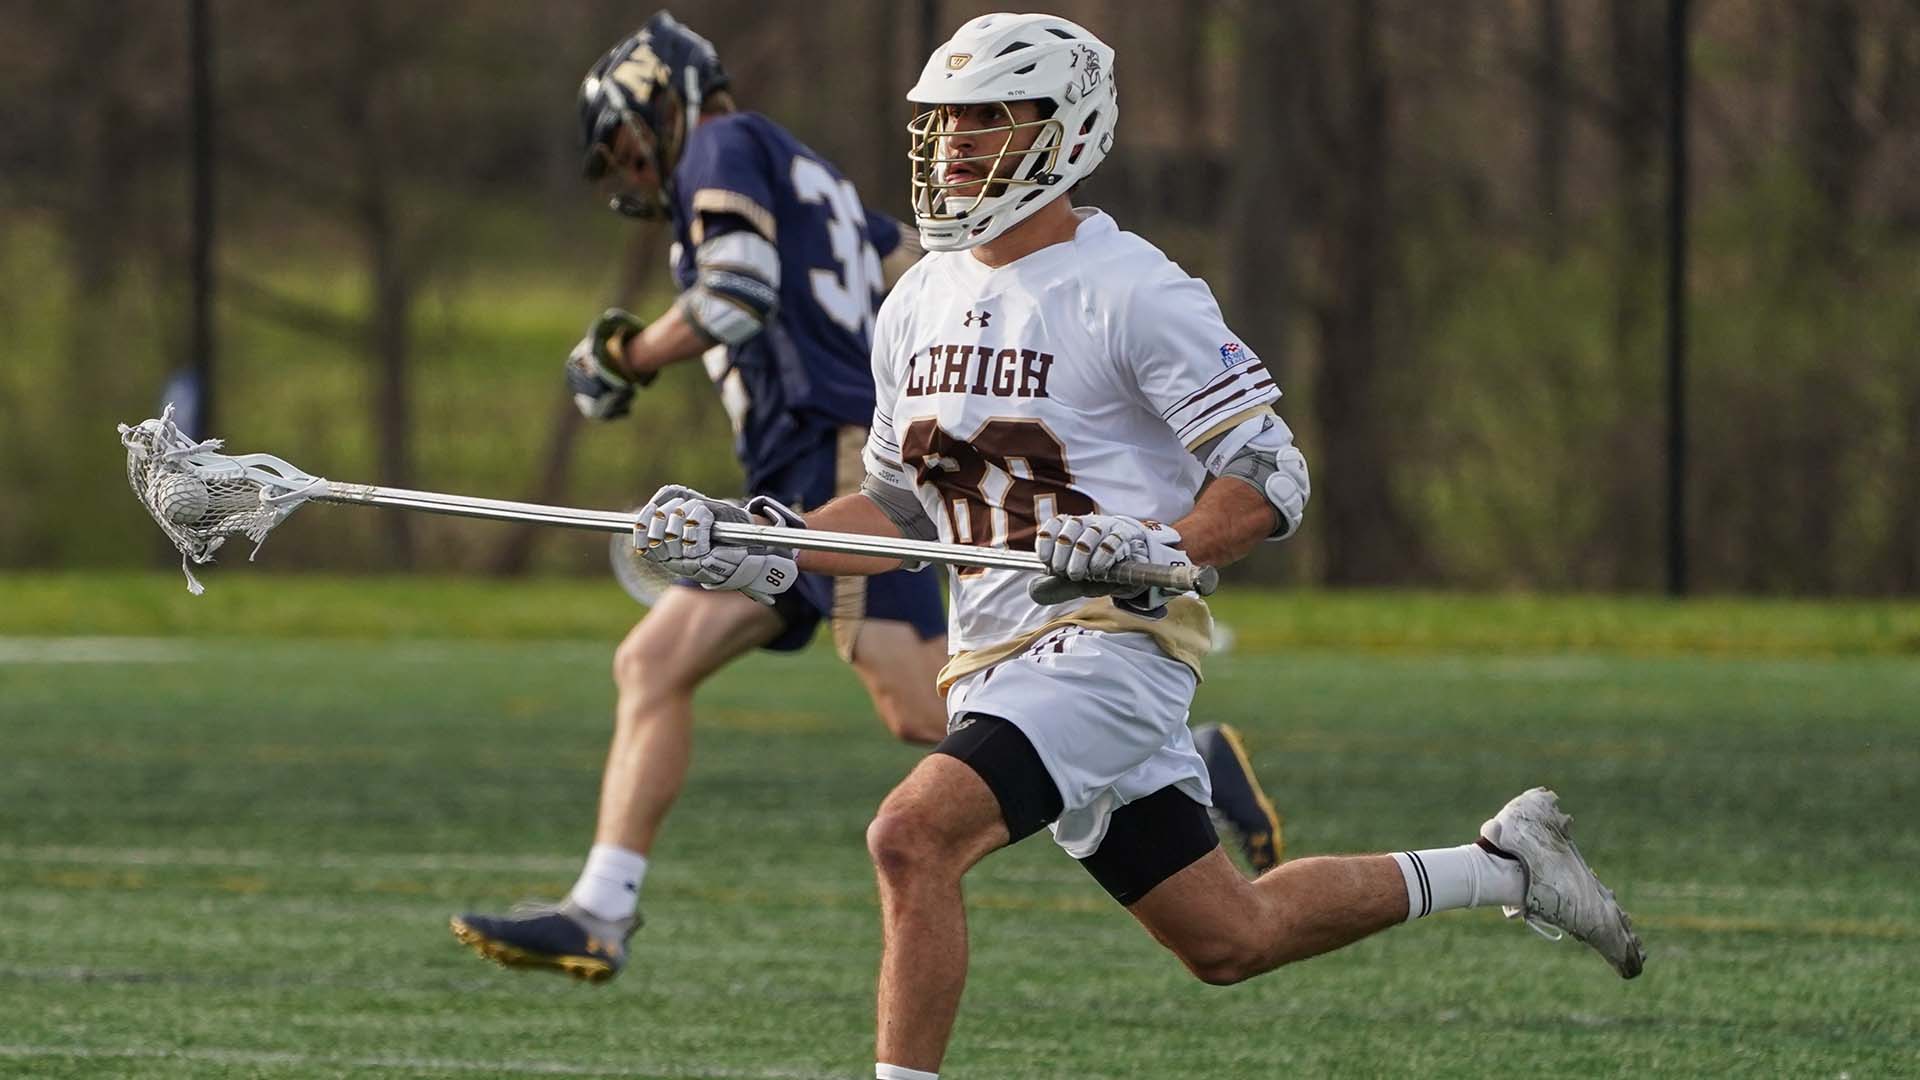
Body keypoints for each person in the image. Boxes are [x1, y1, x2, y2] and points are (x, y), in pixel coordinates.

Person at [629, 12, 1646, 1077]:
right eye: (944, 125)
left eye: (990, 122)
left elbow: (1267, 476)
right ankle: (1507, 866)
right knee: (1229, 938)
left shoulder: (1133, 287)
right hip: (992, 663)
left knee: (910, 836)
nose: (957, 148)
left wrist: (1163, 541)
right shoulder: (916, 299)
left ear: (1066, 132)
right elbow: (901, 515)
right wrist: (761, 543)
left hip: (1110, 647)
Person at [450, 10, 1283, 986]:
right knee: (655, 662)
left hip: (830, 452)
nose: (635, 175)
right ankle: (601, 908)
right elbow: (902, 260)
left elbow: (735, 291)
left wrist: (624, 357)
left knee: (912, 719)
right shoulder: (809, 177)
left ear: (663, 104)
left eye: (633, 146)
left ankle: (1159, 748)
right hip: (822, 458)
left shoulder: (721, 147)